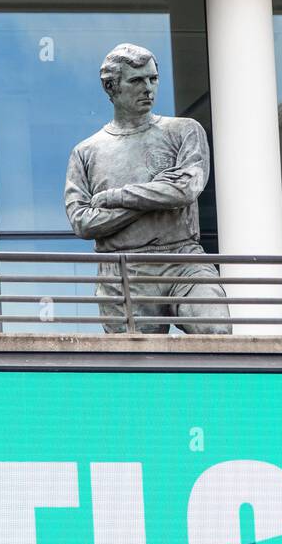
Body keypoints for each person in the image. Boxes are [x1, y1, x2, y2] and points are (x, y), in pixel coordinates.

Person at [64, 43, 231, 334]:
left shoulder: (184, 130)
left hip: (182, 259)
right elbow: (82, 222)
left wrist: (117, 198)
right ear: (111, 87)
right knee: (136, 370)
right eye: (136, 80)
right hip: (122, 270)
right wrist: (157, 196)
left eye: (153, 79)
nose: (148, 88)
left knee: (216, 331)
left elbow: (186, 189)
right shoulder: (86, 151)